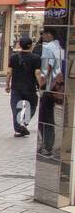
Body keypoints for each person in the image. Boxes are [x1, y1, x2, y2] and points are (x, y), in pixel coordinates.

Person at [6, 35, 42, 137]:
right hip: (30, 87)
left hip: (16, 87)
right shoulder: (36, 58)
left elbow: (9, 72)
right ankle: (24, 123)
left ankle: (19, 127)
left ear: (20, 45)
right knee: (32, 106)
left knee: (15, 108)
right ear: (30, 45)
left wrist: (7, 85)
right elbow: (37, 73)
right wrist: (41, 86)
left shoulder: (13, 57)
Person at [38, 27, 65, 157]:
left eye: (43, 34)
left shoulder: (48, 47)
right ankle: (48, 145)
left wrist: (40, 85)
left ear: (49, 34)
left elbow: (46, 68)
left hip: (49, 87)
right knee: (49, 117)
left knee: (45, 118)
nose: (42, 36)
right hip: (58, 86)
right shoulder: (60, 48)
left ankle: (47, 146)